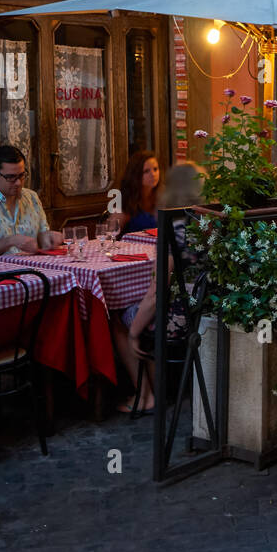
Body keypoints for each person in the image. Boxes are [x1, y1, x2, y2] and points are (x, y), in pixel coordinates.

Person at [117, 162, 206, 416]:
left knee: (116, 318)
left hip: (181, 319)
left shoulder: (175, 231)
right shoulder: (209, 224)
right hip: (204, 311)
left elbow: (157, 293)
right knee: (140, 310)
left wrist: (133, 332)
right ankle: (160, 391)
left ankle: (146, 395)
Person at [0, 144, 62, 258]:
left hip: (32, 269)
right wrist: (9, 241)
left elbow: (42, 237)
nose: (18, 183)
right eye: (11, 177)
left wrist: (49, 238)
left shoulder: (32, 197)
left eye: (22, 175)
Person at [109, 150, 161, 235]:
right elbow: (110, 235)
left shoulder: (162, 196)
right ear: (135, 174)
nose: (153, 174)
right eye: (146, 171)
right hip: (134, 246)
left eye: (155, 169)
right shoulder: (126, 200)